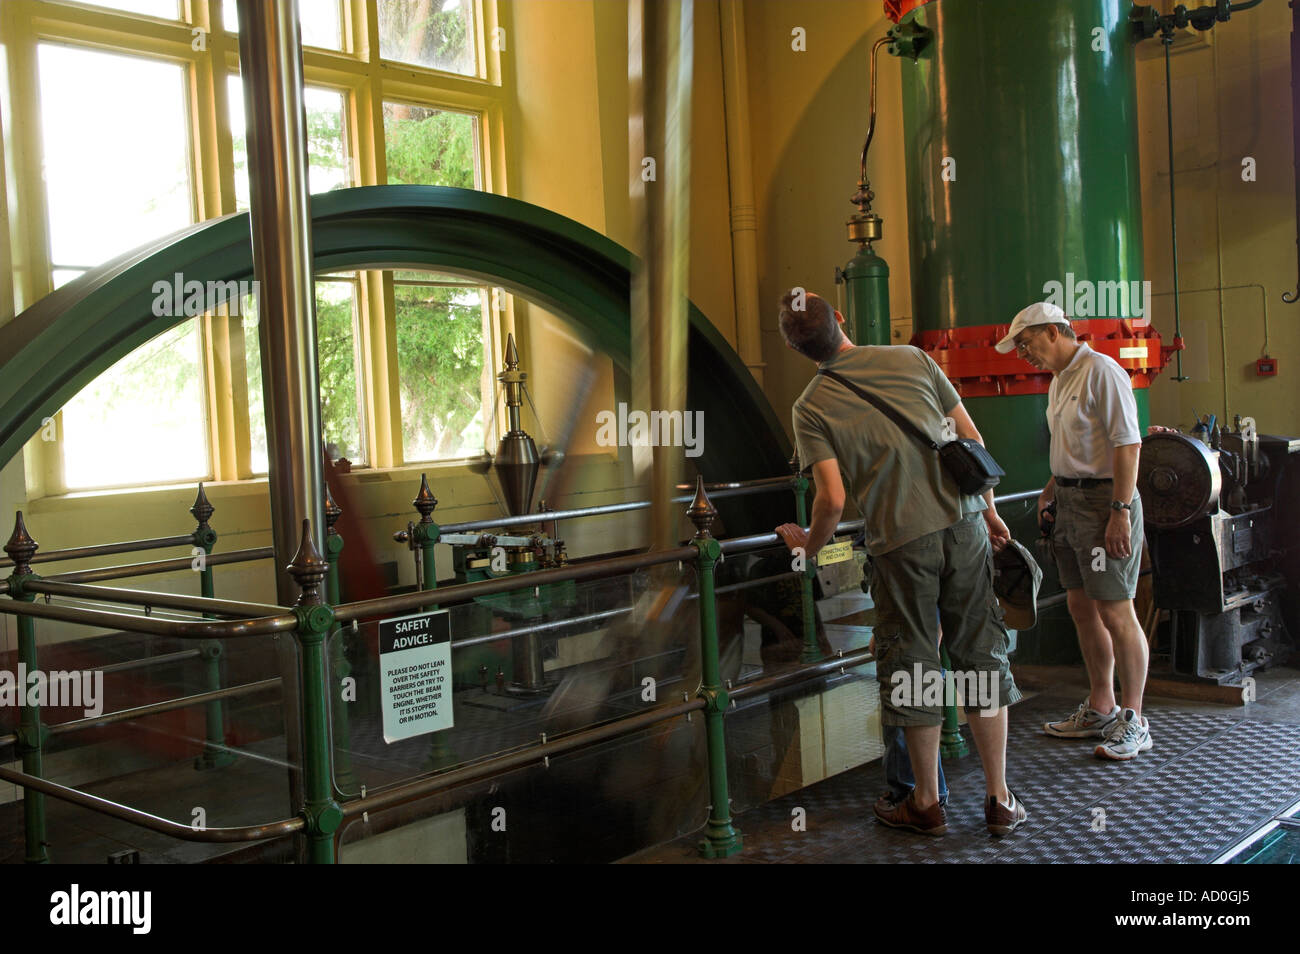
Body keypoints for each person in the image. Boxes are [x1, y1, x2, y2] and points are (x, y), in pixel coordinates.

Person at [774, 289, 1024, 837]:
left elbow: (832, 500)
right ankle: (1000, 799)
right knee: (979, 658)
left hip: (899, 544)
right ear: (841, 319)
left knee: (913, 665)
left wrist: (808, 549)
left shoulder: (810, 406)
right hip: (962, 525)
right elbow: (970, 439)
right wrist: (989, 512)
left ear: (799, 351)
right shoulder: (911, 358)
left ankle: (927, 803)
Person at [995, 301, 1150, 760]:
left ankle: (1135, 719)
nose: (1023, 354)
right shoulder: (1059, 380)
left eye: (1025, 343)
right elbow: (1073, 447)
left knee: (1116, 611)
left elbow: (1128, 444)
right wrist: (1051, 489)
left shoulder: (1102, 371)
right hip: (1069, 501)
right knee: (1083, 606)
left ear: (1052, 332)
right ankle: (1102, 705)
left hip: (1105, 503)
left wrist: (1120, 511)